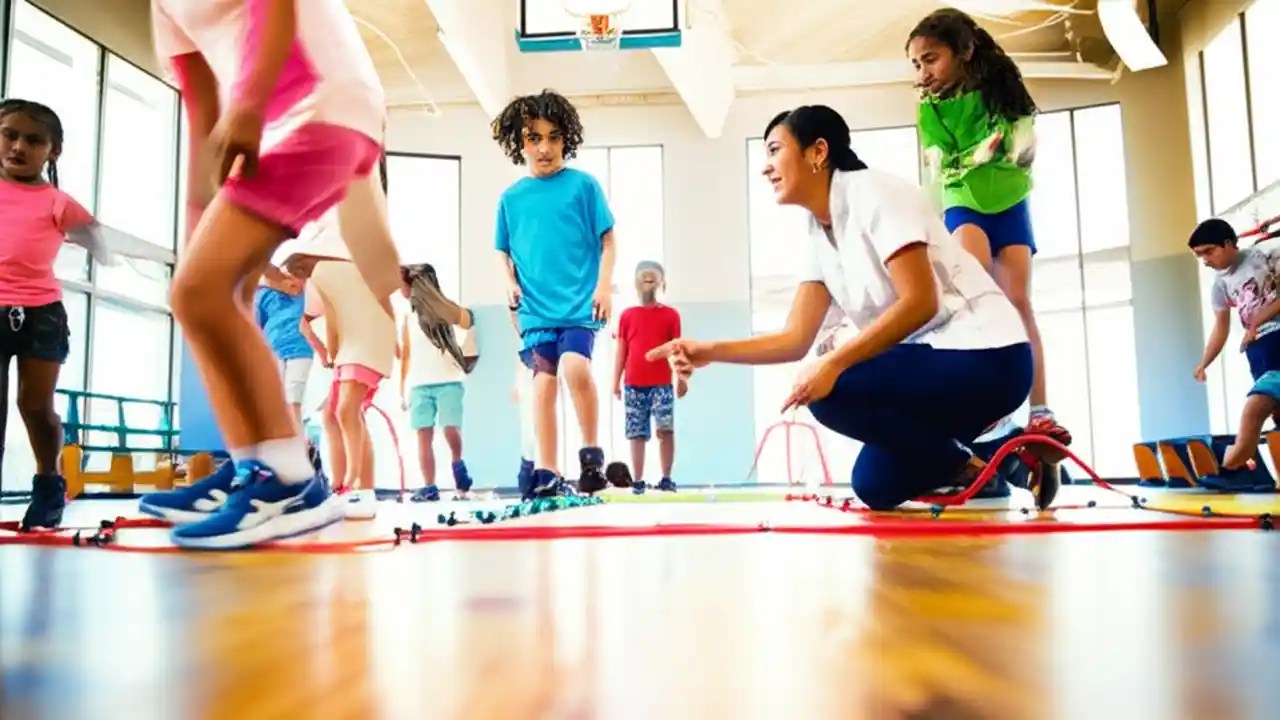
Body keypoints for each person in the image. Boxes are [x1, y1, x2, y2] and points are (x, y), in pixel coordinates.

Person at [646, 105, 1062, 510]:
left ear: (818, 152)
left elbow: (921, 302)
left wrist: (832, 365)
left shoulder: (874, 192)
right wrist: (709, 351)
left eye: (775, 150)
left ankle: (979, 448)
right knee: (875, 486)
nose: (766, 167)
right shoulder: (819, 234)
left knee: (830, 389)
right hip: (935, 371)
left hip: (990, 358)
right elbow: (795, 340)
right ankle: (1000, 460)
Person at [138, 0, 394, 548]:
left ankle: (290, 481)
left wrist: (251, 106)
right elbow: (201, 103)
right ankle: (252, 466)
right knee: (218, 293)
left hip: (320, 105)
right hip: (275, 122)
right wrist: (197, 218)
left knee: (195, 294)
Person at [906, 8, 1071, 447]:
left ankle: (1039, 411)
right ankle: (986, 412)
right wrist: (959, 160)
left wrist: (1004, 149)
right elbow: (939, 159)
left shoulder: (1002, 89)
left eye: (931, 59)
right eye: (917, 63)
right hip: (963, 201)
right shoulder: (931, 107)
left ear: (964, 51)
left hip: (1011, 200)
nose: (923, 72)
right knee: (973, 293)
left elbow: (1022, 146)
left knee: (1018, 302)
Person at [0, 99, 155, 530]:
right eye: (9, 135)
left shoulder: (59, 202)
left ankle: (50, 485)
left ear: (52, 151)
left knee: (35, 406)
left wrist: (95, 244)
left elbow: (102, 248)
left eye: (32, 140)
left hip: (41, 314)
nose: (18, 146)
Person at [491, 89, 617, 499]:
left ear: (567, 140)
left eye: (554, 137)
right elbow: (502, 252)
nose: (544, 147)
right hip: (536, 311)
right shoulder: (510, 198)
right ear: (519, 142)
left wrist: (603, 285)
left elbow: (609, 240)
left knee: (576, 369)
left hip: (579, 304)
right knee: (542, 386)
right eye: (534, 138)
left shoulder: (584, 187)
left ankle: (591, 457)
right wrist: (508, 282)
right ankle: (547, 469)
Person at [297, 205, 397, 520]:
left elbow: (380, 295)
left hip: (366, 333)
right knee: (331, 415)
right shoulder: (315, 265)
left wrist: (392, 338)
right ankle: (341, 488)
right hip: (351, 341)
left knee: (346, 410)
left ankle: (360, 489)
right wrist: (327, 352)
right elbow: (314, 318)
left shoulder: (346, 246)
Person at [398, 263, 476, 501]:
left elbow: (467, 320)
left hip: (448, 380)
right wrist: (402, 389)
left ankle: (457, 464)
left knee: (450, 429)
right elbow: (407, 355)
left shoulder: (442, 309)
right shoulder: (408, 318)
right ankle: (429, 485)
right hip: (420, 384)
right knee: (423, 434)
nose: (400, 289)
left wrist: (441, 304)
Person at [613, 261, 685, 493]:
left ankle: (666, 478)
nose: (648, 277)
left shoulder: (671, 315)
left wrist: (681, 378)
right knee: (637, 434)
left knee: (665, 430)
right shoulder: (627, 316)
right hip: (634, 384)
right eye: (643, 275)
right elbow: (621, 351)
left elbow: (678, 350)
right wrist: (615, 381)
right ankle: (638, 480)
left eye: (654, 275)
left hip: (662, 384)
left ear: (663, 282)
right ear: (635, 283)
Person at [253, 271, 313, 429]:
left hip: (301, 350)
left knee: (293, 404)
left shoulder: (310, 291)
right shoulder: (266, 293)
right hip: (275, 352)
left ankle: (295, 449)